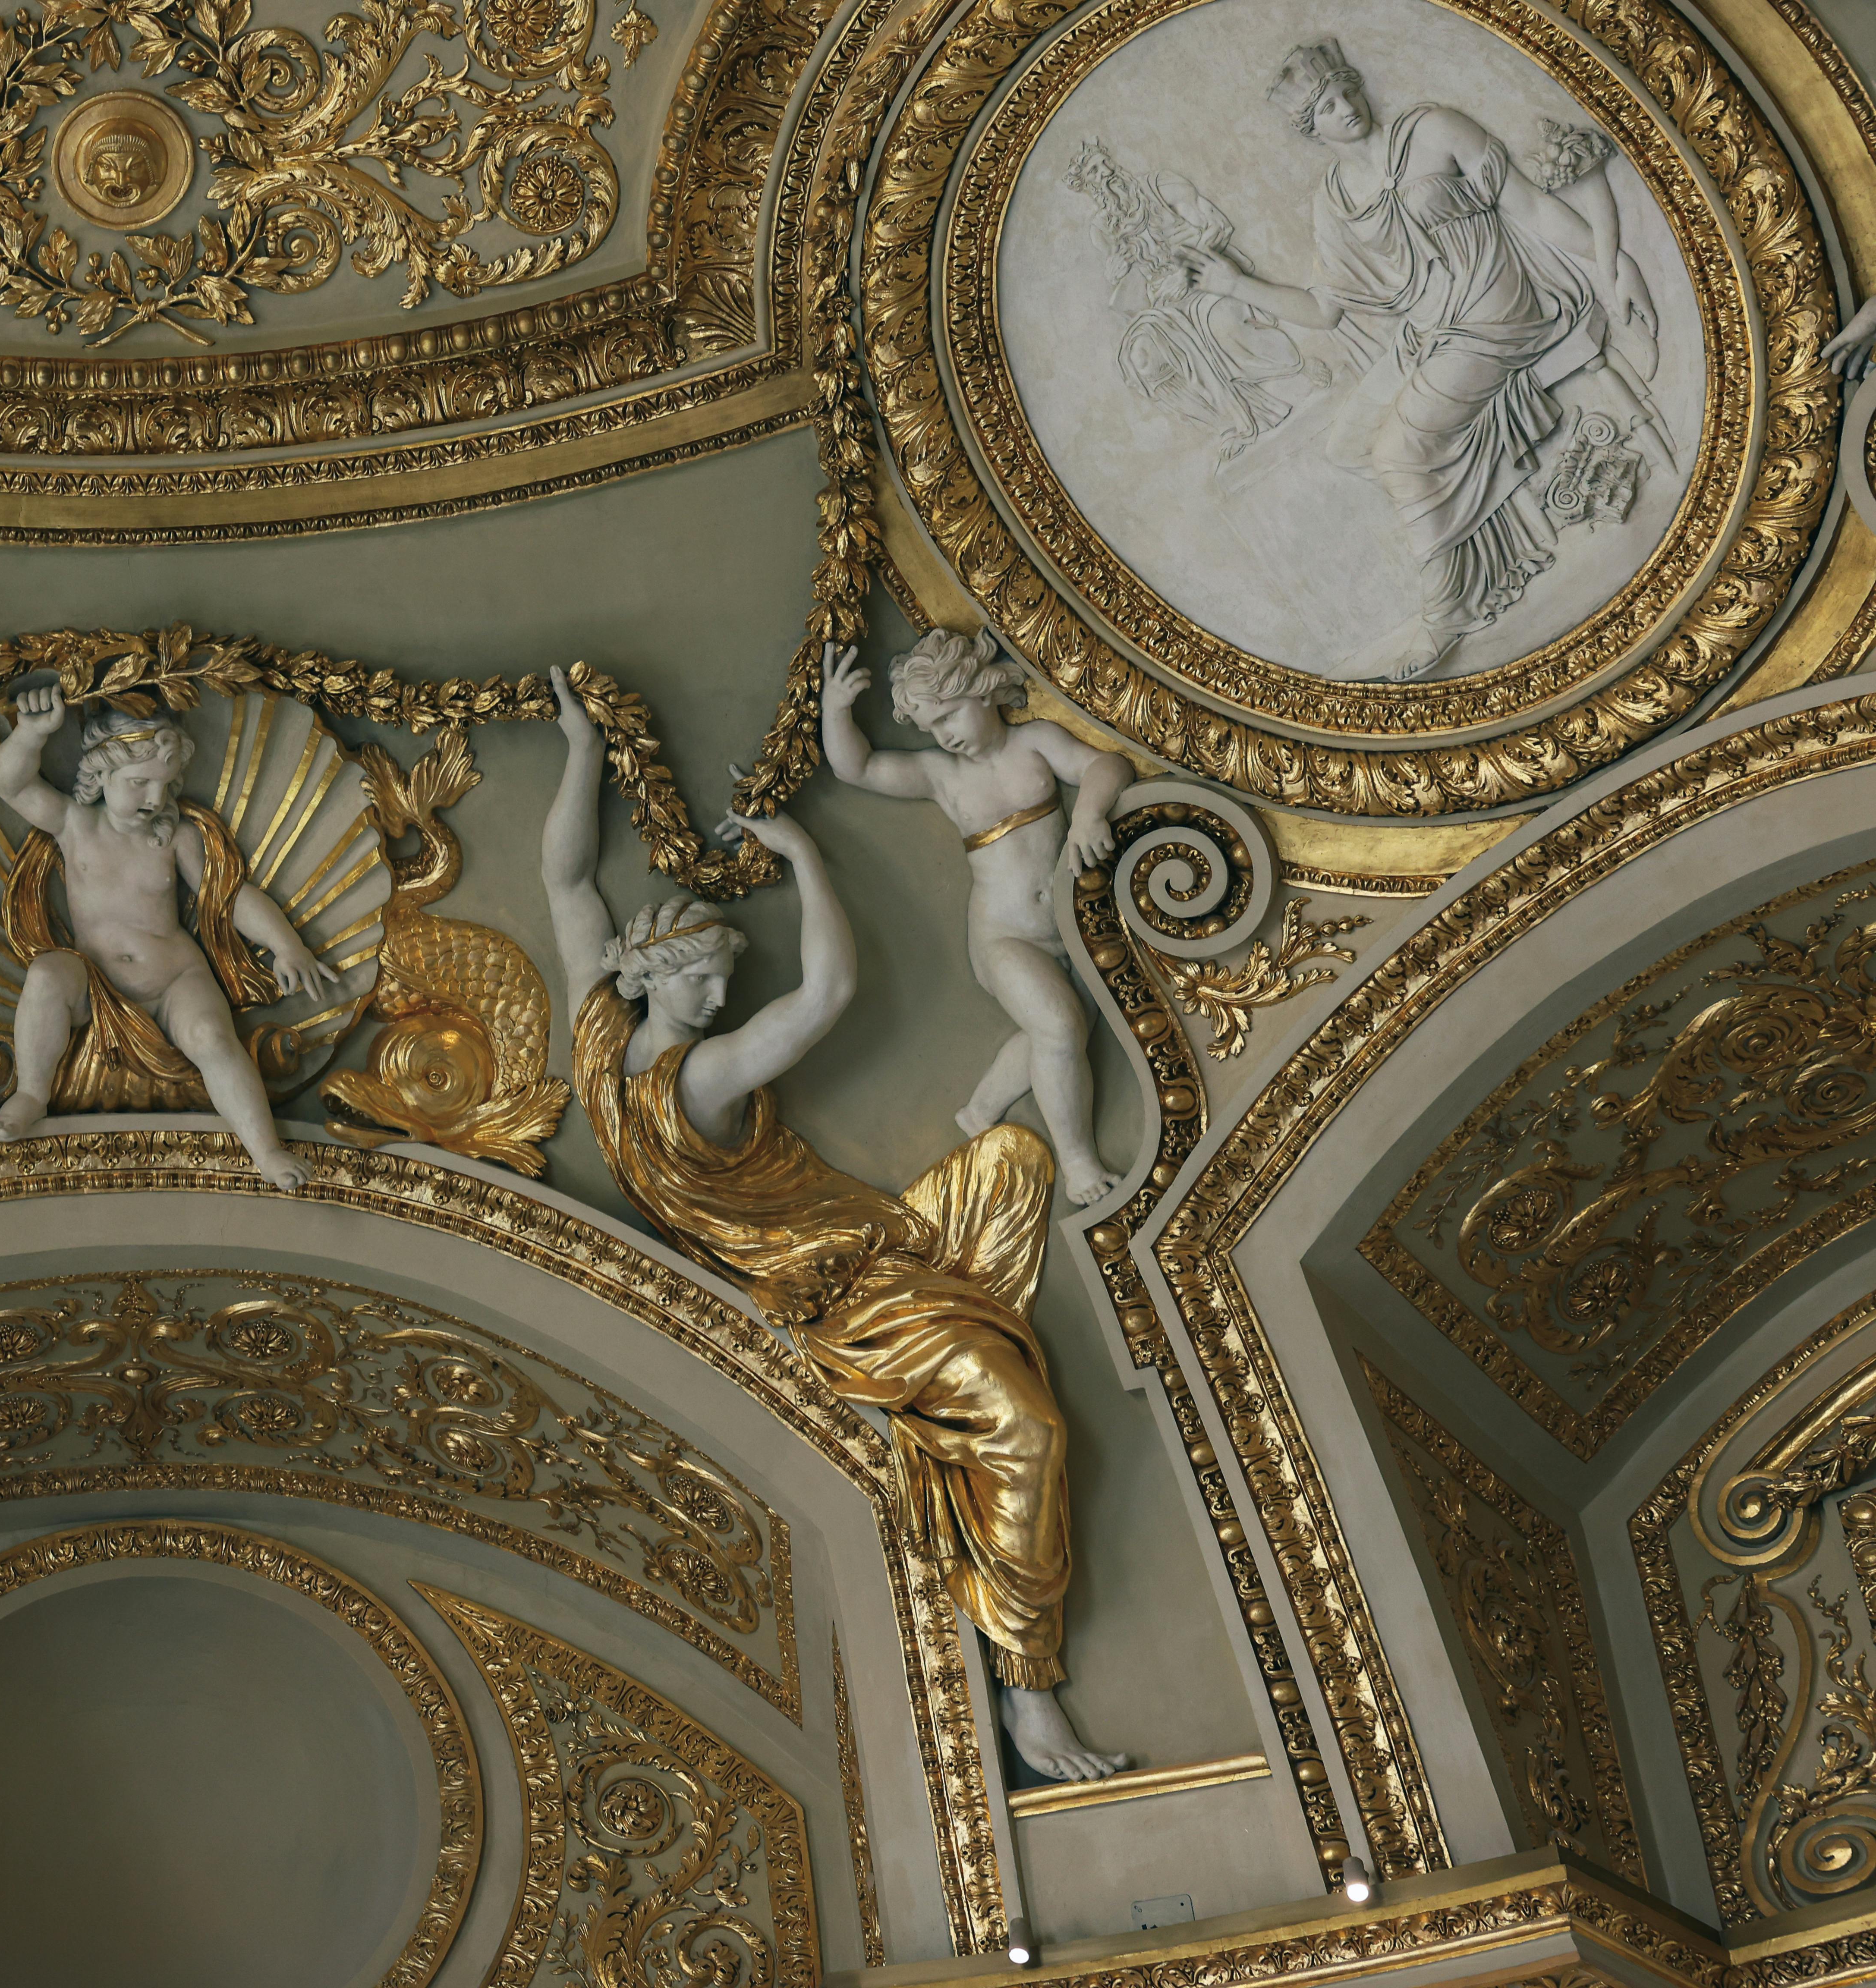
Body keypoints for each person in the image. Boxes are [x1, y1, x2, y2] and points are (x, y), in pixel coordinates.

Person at [542, 661, 1128, 1784]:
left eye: (722, 980)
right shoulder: (700, 1080)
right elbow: (827, 996)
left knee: (1007, 1178)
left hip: (865, 1259)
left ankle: (1027, 1687)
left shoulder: (601, 1055)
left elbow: (567, 880)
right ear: (657, 976)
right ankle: (1030, 1686)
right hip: (851, 1296)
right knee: (1026, 1430)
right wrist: (808, 855)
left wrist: (580, 753)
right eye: (704, 980)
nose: (720, 999)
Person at [1179, 41, 1643, 681]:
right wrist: (1235, 286)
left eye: (1346, 91)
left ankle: (1444, 616)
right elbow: (1324, 310)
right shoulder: (1335, 201)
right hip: (1430, 333)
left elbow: (1530, 208)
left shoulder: (1433, 129)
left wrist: (1614, 262)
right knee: (1347, 445)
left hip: (1495, 311)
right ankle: (1495, 533)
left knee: (1400, 451)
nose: (1346, 109)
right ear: (1310, 131)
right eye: (1325, 109)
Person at [0, 687, 341, 1189]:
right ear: (100, 774)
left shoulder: (174, 837)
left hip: (176, 979)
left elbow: (229, 897)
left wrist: (287, 945)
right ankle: (31, 1094)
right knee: (45, 975)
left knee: (212, 1039)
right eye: (139, 782)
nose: (154, 799)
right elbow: (11, 785)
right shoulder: (74, 824)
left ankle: (266, 1151)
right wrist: (31, 733)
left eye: (165, 785)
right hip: (94, 984)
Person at [822, 632, 1129, 1205]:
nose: (946, 735)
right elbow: (857, 768)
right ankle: (1080, 1161)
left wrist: (1087, 817)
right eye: (933, 727)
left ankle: (981, 1109)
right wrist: (836, 710)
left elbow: (1105, 765)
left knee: (1060, 1031)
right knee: (1060, 1029)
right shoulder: (945, 776)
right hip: (1005, 938)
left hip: (1072, 930)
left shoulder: (1033, 744)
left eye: (951, 715)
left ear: (983, 691)